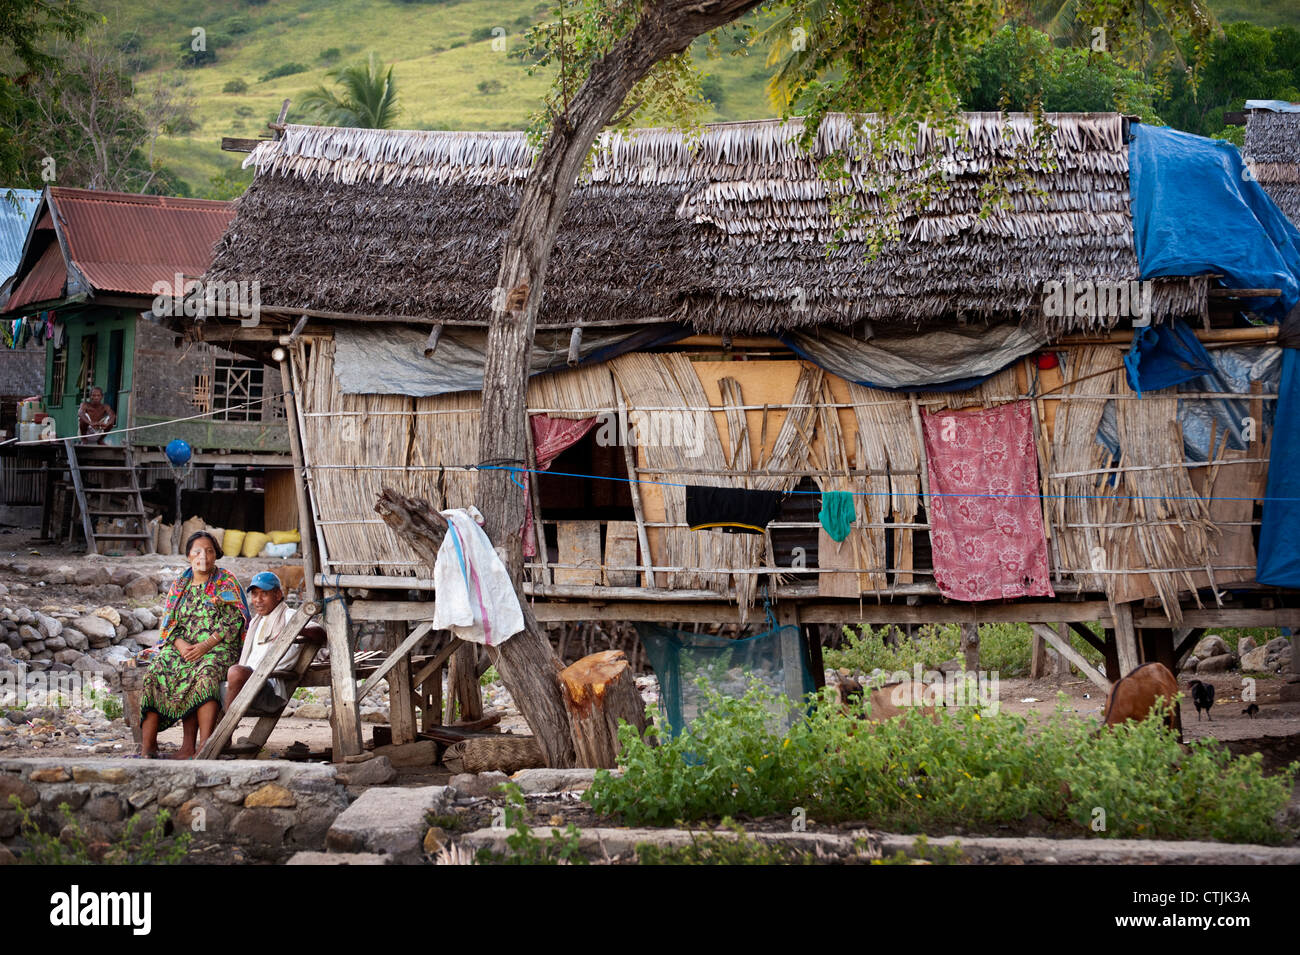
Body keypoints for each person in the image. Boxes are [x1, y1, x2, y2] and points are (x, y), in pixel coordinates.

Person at [138, 532, 249, 758]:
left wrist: (205, 646)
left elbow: (236, 619)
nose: (203, 556)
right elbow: (169, 623)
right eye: (197, 551)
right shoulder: (180, 584)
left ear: (216, 554)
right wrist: (180, 645)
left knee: (205, 673)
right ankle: (147, 747)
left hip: (218, 647)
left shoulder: (225, 581)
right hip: (183, 648)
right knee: (155, 672)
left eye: (209, 551)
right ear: (188, 555)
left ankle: (203, 747)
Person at [223, 572, 303, 715]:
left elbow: (319, 632)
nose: (258, 600)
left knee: (236, 672)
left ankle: (225, 733)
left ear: (278, 595)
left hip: (270, 688)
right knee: (208, 679)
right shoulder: (256, 621)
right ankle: (210, 736)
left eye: (264, 594)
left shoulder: (289, 616)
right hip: (253, 682)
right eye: (254, 594)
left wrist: (294, 630)